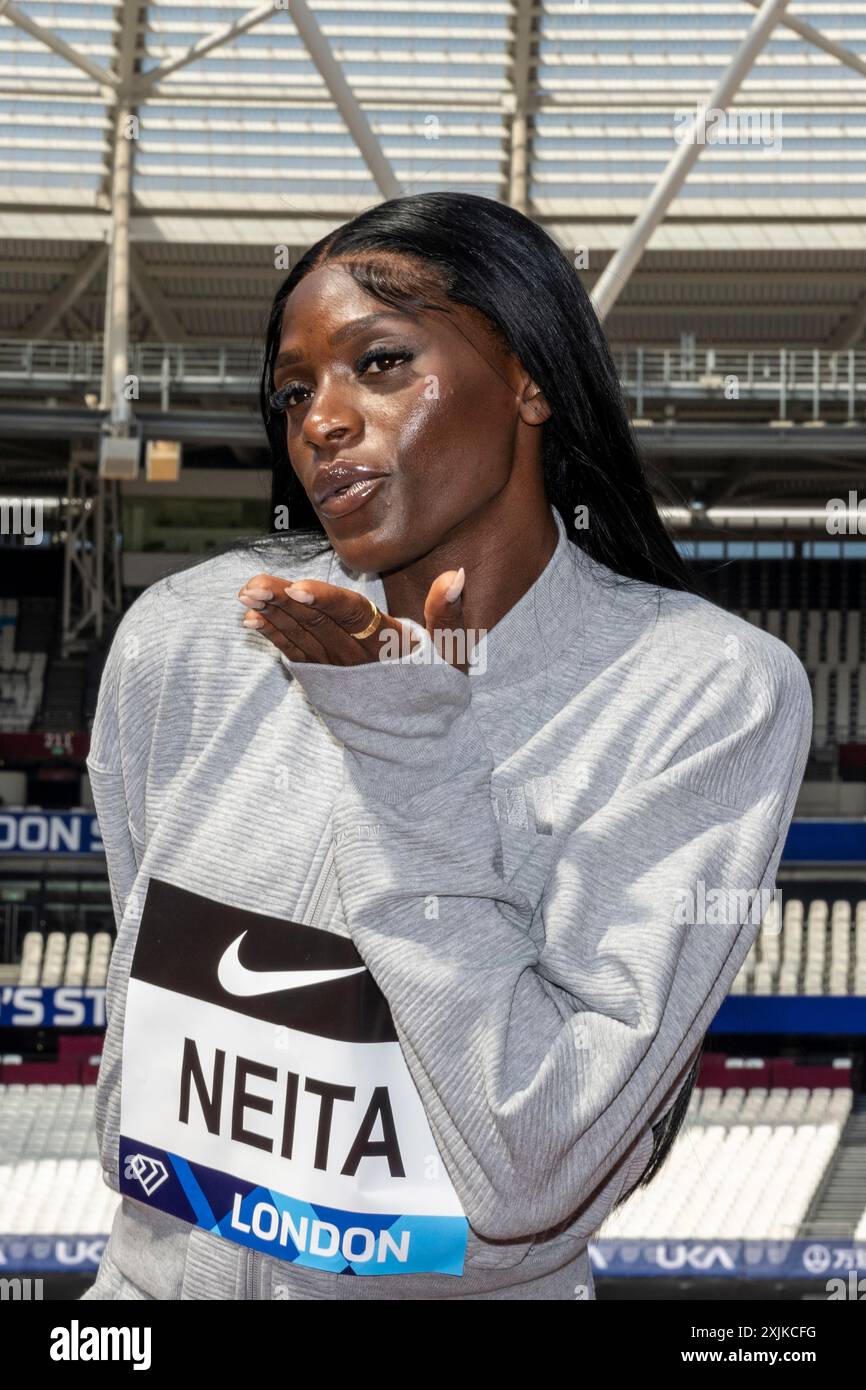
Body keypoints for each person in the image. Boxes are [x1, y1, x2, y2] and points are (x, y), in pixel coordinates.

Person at [81, 191, 811, 1301]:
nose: (320, 420)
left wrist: (403, 747)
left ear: (528, 378)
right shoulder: (186, 634)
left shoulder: (705, 690)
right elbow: (147, 943)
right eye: (292, 391)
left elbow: (533, 1164)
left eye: (378, 363)